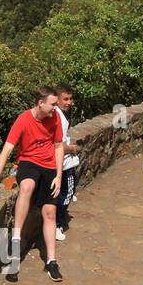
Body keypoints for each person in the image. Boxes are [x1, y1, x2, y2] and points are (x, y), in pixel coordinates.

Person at [0, 86, 65, 282]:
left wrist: (59, 176)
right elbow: (7, 149)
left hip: (49, 166)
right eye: (53, 104)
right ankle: (16, 238)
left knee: (50, 213)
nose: (56, 108)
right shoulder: (23, 119)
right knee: (27, 187)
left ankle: (51, 261)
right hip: (28, 162)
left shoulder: (55, 118)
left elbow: (58, 147)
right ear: (41, 103)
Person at [53, 85, 79, 241]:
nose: (69, 102)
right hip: (63, 163)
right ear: (57, 99)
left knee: (61, 194)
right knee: (67, 194)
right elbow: (59, 145)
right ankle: (57, 224)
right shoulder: (59, 117)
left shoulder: (56, 114)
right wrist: (73, 148)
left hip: (58, 163)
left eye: (70, 98)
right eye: (66, 99)